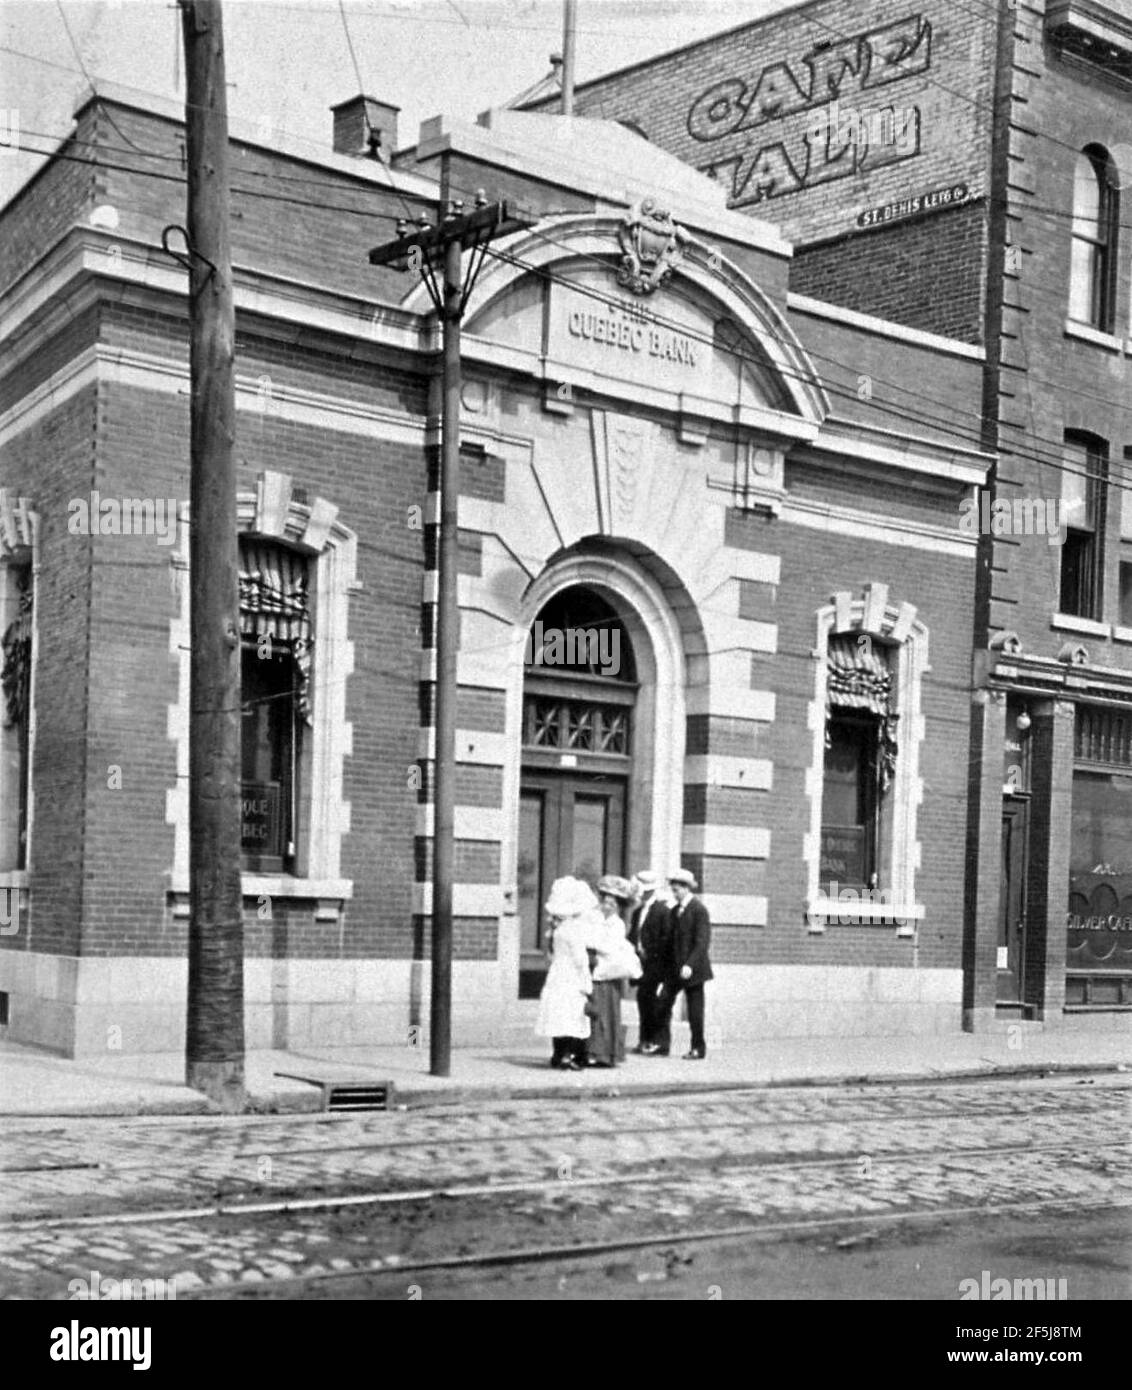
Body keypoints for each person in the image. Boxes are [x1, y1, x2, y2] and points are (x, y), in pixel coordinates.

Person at [534, 876, 601, 1070]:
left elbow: (552, 956)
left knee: (558, 1013)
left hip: (558, 974)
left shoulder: (558, 930)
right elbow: (580, 961)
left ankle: (558, 1054)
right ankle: (567, 1055)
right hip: (571, 975)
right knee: (571, 1015)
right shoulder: (573, 930)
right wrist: (587, 985)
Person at [586, 874, 640, 1067]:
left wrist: (594, 944)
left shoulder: (616, 924)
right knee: (595, 1012)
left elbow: (608, 947)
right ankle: (591, 1050)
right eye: (605, 901)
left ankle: (604, 1052)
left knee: (606, 1013)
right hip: (596, 971)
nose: (607, 906)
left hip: (608, 972)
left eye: (612, 903)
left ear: (618, 905)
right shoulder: (595, 919)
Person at [668, 868, 713, 1059]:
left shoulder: (698, 910)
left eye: (677, 890)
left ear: (686, 888)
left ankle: (698, 1047)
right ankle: (661, 1043)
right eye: (673, 890)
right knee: (663, 1002)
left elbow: (702, 942)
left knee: (695, 1011)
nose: (674, 893)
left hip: (693, 970)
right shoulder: (675, 911)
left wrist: (690, 964)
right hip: (676, 968)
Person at [628, 869, 675, 1056]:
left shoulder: (662, 911)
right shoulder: (638, 911)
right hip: (642, 966)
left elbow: (667, 940)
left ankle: (660, 1042)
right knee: (644, 1001)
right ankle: (645, 1039)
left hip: (657, 966)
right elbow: (634, 935)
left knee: (658, 1005)